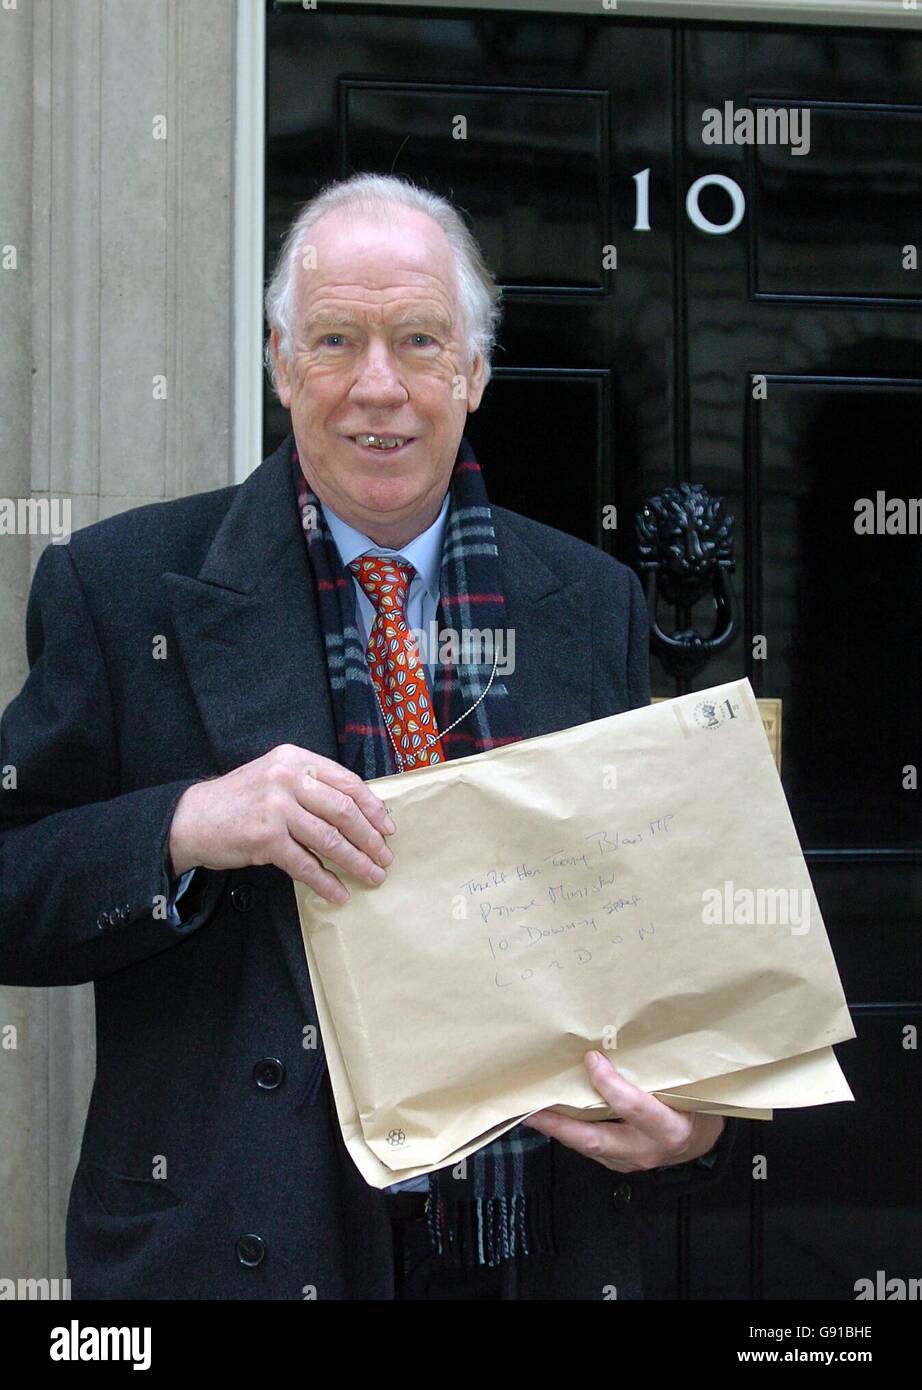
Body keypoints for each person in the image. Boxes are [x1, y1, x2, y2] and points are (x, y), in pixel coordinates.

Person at [0, 173, 735, 1300]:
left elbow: (657, 917)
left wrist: (691, 1112)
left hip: (529, 1235)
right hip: (243, 1236)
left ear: (475, 371)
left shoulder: (589, 601)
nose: (376, 387)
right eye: (336, 339)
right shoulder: (120, 587)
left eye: (420, 340)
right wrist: (187, 824)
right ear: (281, 365)